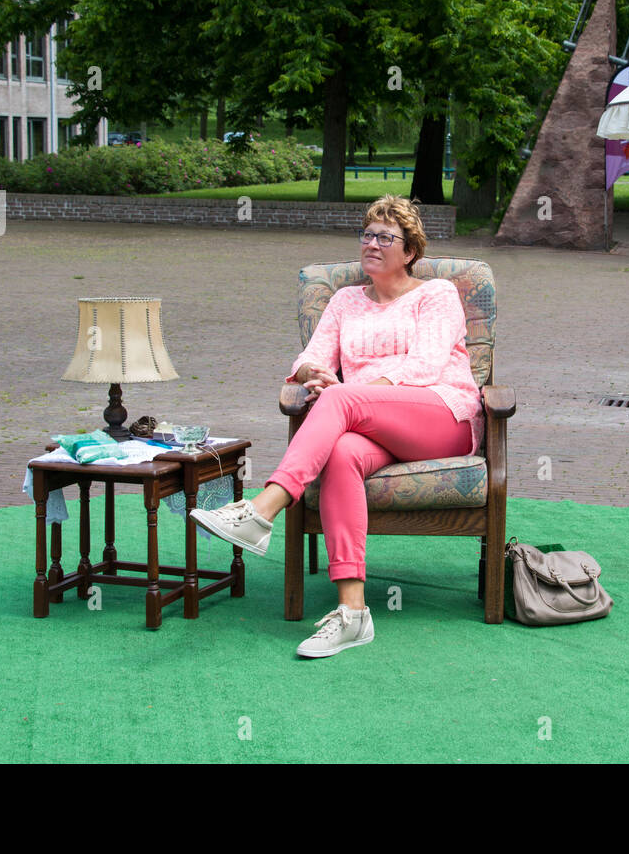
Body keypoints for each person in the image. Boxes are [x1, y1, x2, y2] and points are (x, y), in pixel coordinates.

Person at [190, 194, 484, 658]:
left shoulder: (436, 294)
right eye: (367, 234)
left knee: (343, 399)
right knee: (343, 452)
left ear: (409, 251)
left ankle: (262, 511)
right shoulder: (345, 300)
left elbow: (426, 366)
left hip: (442, 415)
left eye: (386, 237)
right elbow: (309, 358)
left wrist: (349, 390)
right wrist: (315, 375)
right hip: (373, 423)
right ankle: (352, 614)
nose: (372, 243)